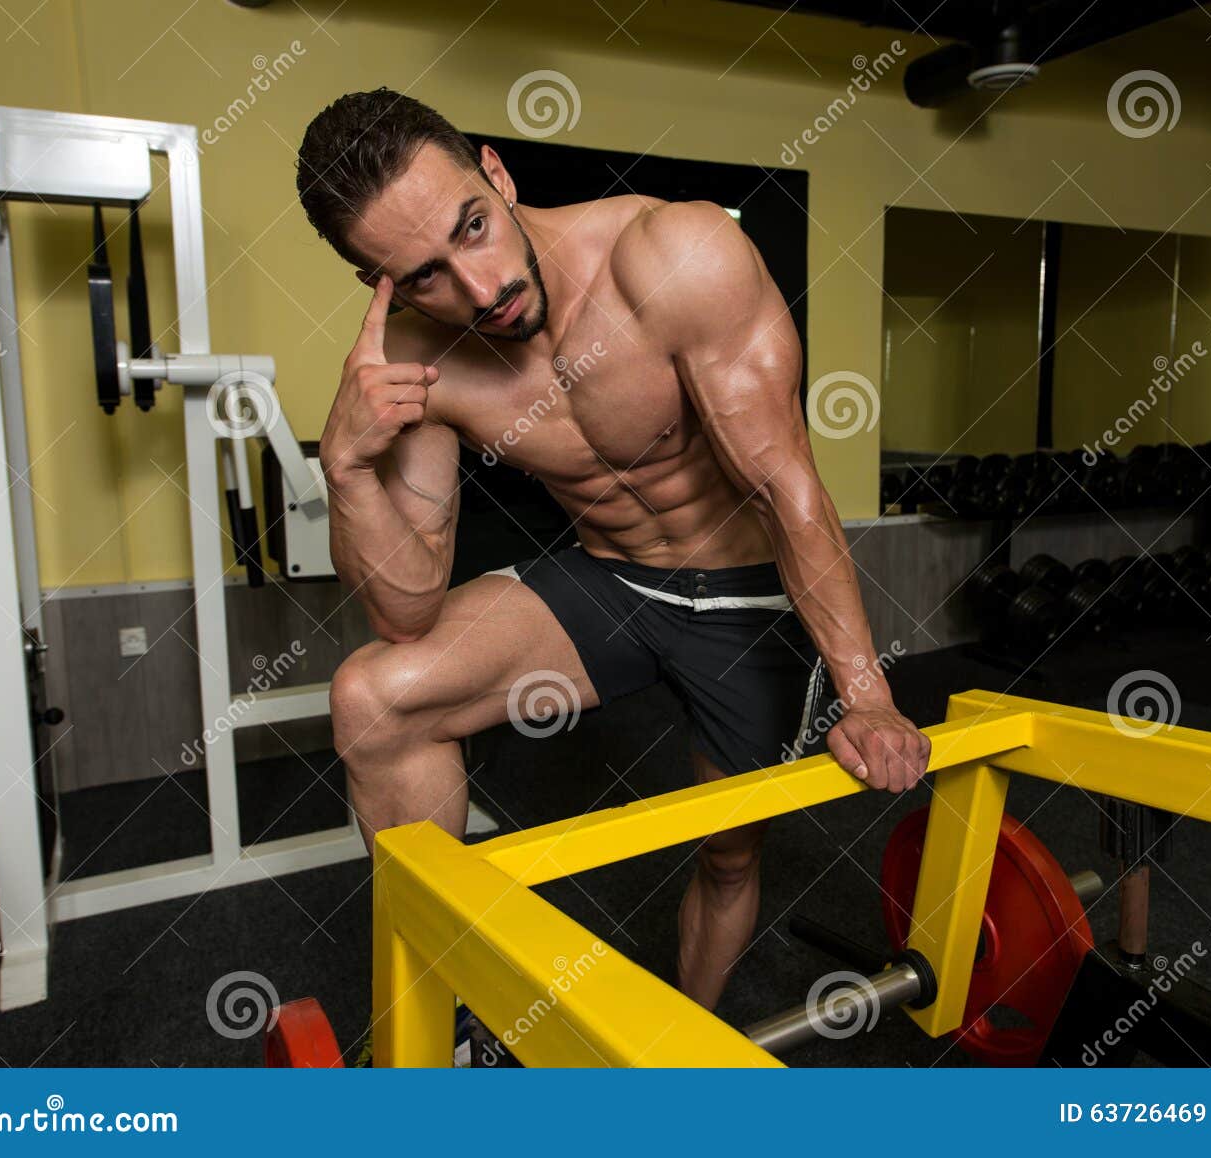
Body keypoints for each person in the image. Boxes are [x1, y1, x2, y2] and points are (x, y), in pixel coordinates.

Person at [297, 88, 929, 1011]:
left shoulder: (677, 256)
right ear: (379, 284)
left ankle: (684, 1049)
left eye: (473, 226)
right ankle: (446, 1007)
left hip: (748, 593)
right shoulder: (413, 360)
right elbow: (405, 610)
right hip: (615, 580)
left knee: (726, 852)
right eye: (426, 274)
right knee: (371, 698)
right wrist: (346, 466)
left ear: (498, 174)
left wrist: (867, 697)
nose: (480, 291)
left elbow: (782, 482)